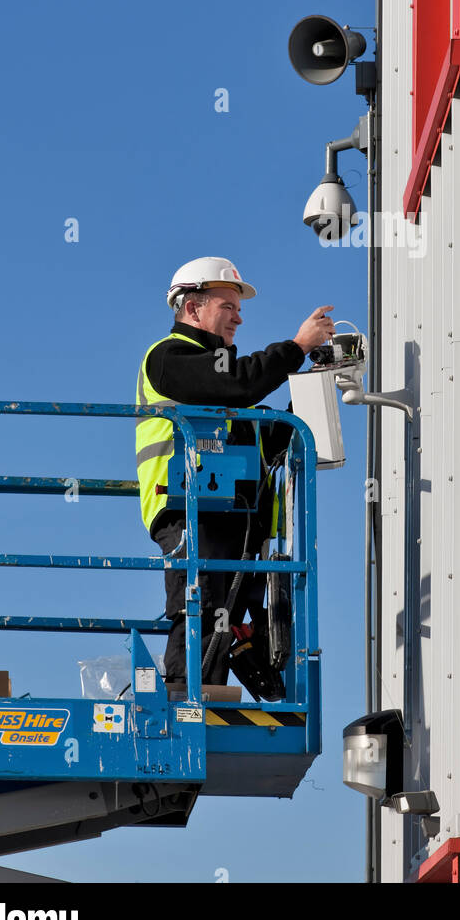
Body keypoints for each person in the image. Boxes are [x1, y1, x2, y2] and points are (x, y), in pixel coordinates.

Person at [135, 256, 335, 700]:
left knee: (231, 616)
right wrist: (297, 347)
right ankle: (184, 710)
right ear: (192, 308)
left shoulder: (216, 385)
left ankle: (216, 696)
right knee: (202, 610)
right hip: (187, 510)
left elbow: (266, 437)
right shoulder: (168, 359)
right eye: (228, 306)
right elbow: (240, 383)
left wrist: (319, 388)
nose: (239, 317)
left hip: (228, 516)